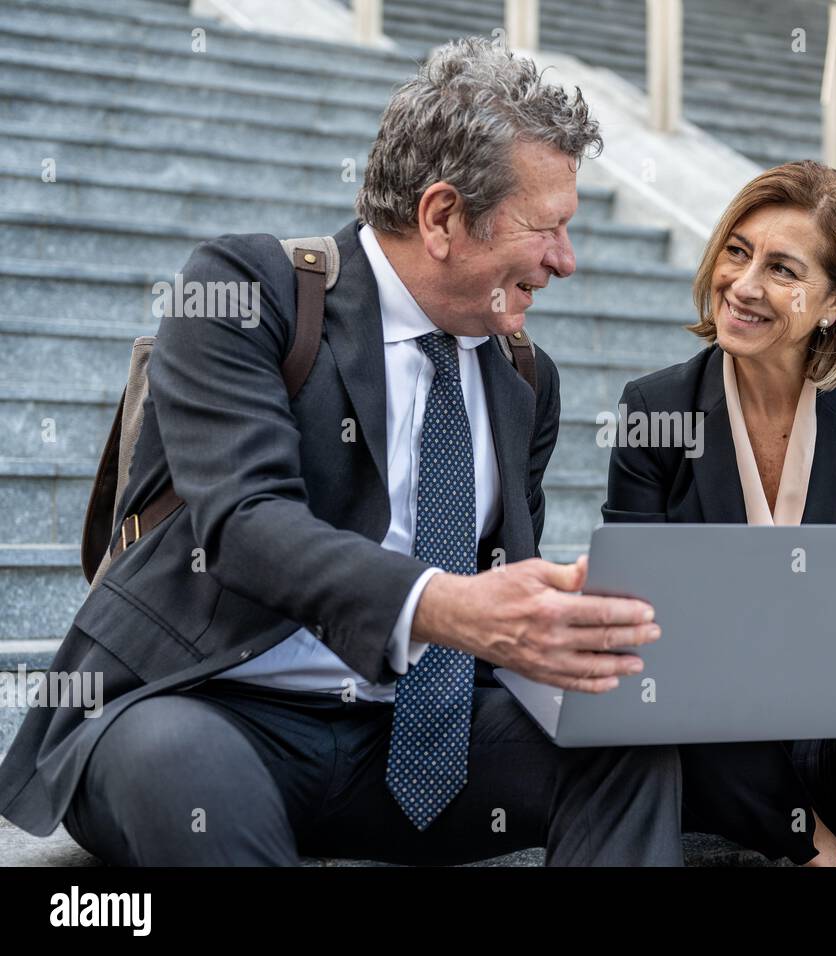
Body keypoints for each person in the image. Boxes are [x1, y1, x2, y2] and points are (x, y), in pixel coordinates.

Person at [0, 38, 682, 867]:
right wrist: (450, 607)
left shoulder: (525, 377)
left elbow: (503, 575)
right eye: (550, 228)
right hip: (205, 704)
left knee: (627, 746)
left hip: (411, 740)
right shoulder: (246, 291)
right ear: (441, 217)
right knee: (191, 775)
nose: (566, 262)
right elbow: (246, 525)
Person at [602, 160, 836, 866]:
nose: (743, 285)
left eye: (782, 270)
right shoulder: (654, 410)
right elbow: (635, 613)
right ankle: (817, 851)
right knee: (652, 707)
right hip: (708, 719)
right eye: (737, 252)